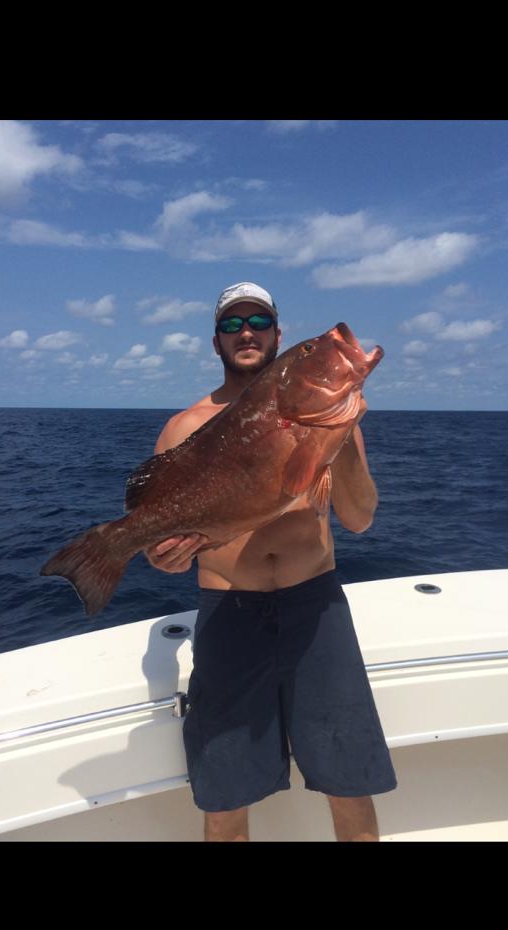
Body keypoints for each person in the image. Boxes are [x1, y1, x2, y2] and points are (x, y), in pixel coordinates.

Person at [146, 281, 397, 841]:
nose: (246, 333)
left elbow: (359, 518)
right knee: (225, 798)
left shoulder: (332, 417)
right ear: (216, 341)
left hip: (316, 609)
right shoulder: (184, 428)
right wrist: (162, 558)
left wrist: (340, 434)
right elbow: (158, 536)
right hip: (229, 614)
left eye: (258, 322)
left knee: (350, 783)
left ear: (277, 337)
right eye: (232, 324)